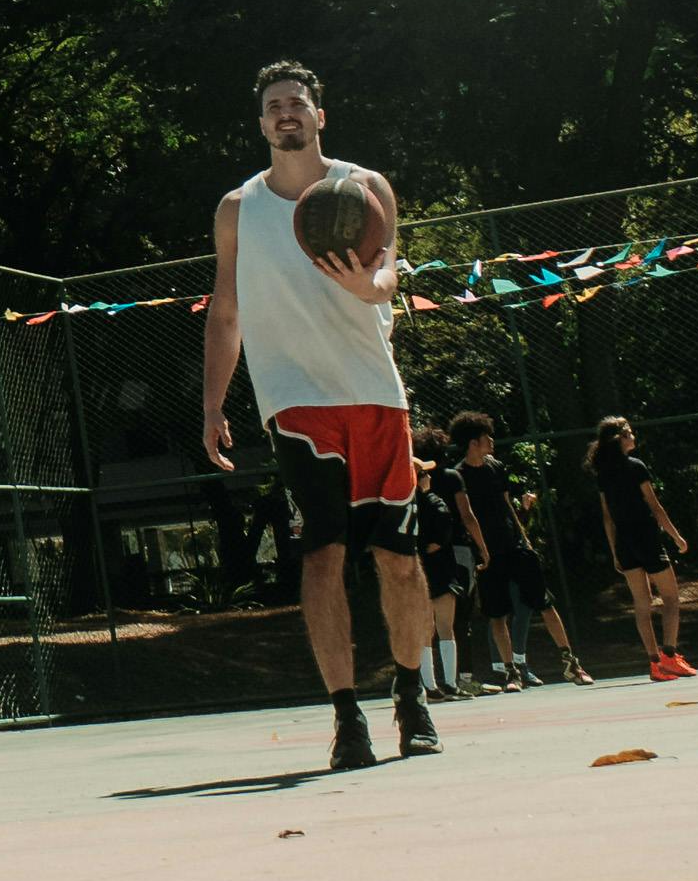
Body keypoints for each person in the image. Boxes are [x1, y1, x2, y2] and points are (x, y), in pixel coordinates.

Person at [200, 64, 436, 771]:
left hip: (373, 389)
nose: (286, 114)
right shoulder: (238, 208)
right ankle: (345, 718)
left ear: (319, 117)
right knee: (322, 554)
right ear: (262, 123)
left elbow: (390, 271)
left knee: (398, 559)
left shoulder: (365, 188)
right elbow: (227, 309)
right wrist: (213, 403)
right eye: (273, 106)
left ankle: (411, 695)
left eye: (296, 103)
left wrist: (372, 285)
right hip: (294, 399)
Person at [448, 412, 589, 688]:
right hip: (488, 555)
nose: (491, 440)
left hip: (515, 546)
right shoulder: (459, 476)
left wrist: (524, 538)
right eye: (486, 436)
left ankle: (572, 664)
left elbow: (507, 505)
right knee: (497, 615)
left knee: (544, 603)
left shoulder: (496, 467)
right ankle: (511, 672)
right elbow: (467, 517)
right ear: (473, 442)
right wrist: (483, 552)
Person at [586, 416, 695, 678]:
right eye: (630, 433)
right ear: (620, 439)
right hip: (646, 538)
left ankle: (654, 663)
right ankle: (669, 656)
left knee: (641, 603)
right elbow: (655, 506)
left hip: (625, 543)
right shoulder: (635, 466)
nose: (634, 436)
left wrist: (614, 551)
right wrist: (676, 537)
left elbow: (607, 516)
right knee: (670, 597)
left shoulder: (603, 473)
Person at [412, 428, 481, 700]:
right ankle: (447, 684)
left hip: (415, 568)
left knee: (425, 629)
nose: (429, 476)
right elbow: (443, 528)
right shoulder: (433, 501)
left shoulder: (400, 508)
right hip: (439, 568)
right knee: (444, 627)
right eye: (424, 473)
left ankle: (430, 686)